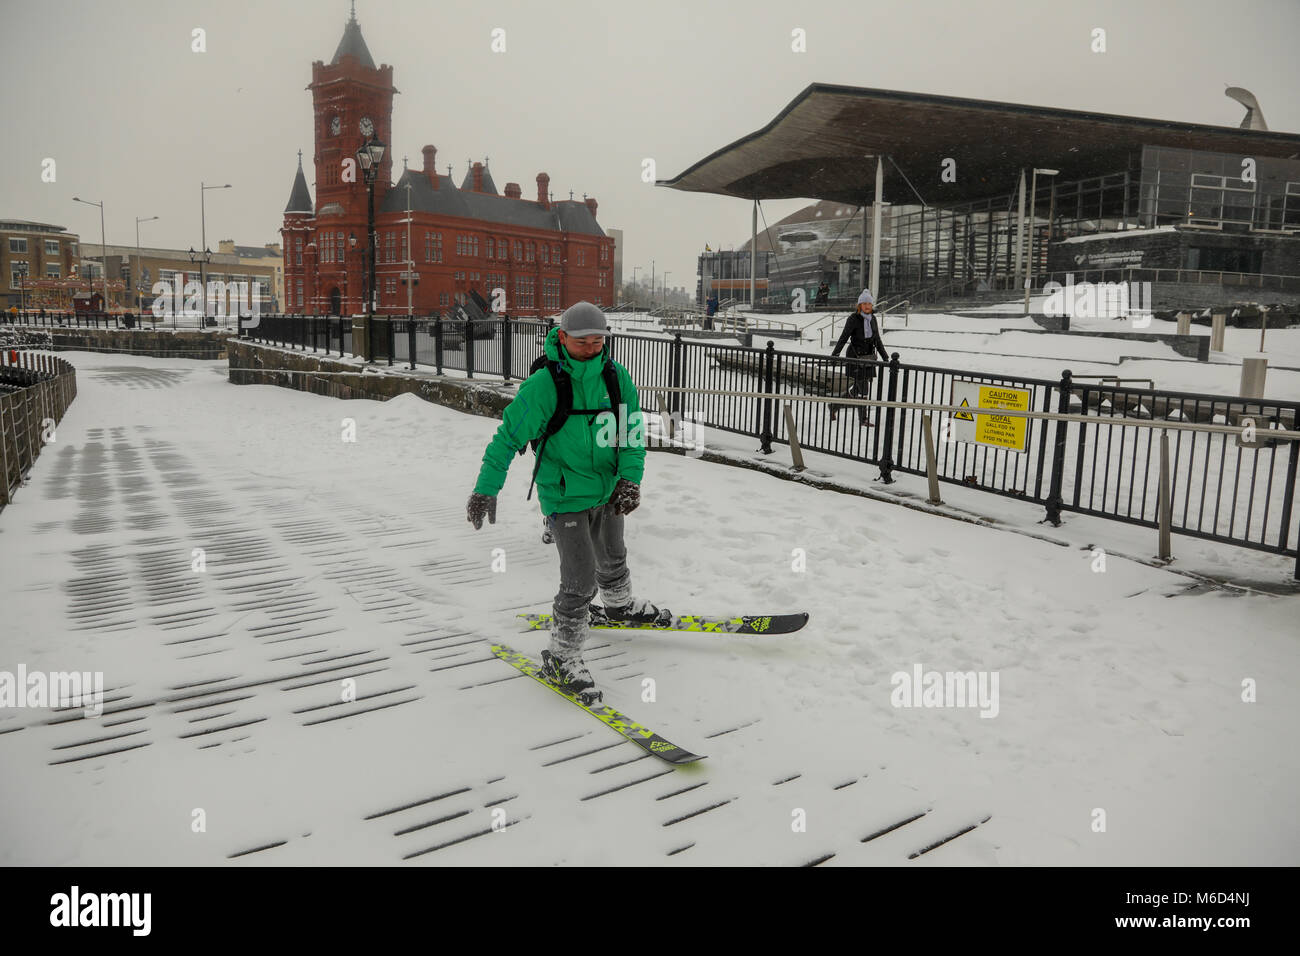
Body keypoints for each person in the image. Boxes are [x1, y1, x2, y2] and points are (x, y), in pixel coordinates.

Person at [467, 301, 667, 705]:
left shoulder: (616, 377)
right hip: (564, 495)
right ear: (562, 337)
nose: (592, 348)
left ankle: (619, 605)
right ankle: (562, 656)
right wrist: (486, 488)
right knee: (579, 581)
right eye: (582, 341)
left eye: (599, 341)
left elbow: (631, 434)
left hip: (607, 488)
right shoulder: (544, 385)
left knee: (613, 556)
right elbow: (508, 438)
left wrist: (630, 479)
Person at [829, 289, 890, 426]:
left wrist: (885, 357)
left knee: (856, 389)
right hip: (855, 358)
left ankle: (834, 406)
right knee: (864, 389)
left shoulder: (873, 319)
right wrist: (835, 354)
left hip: (868, 358)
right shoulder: (853, 319)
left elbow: (877, 340)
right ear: (859, 305)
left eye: (869, 303)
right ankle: (864, 419)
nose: (867, 306)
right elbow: (844, 337)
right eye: (864, 303)